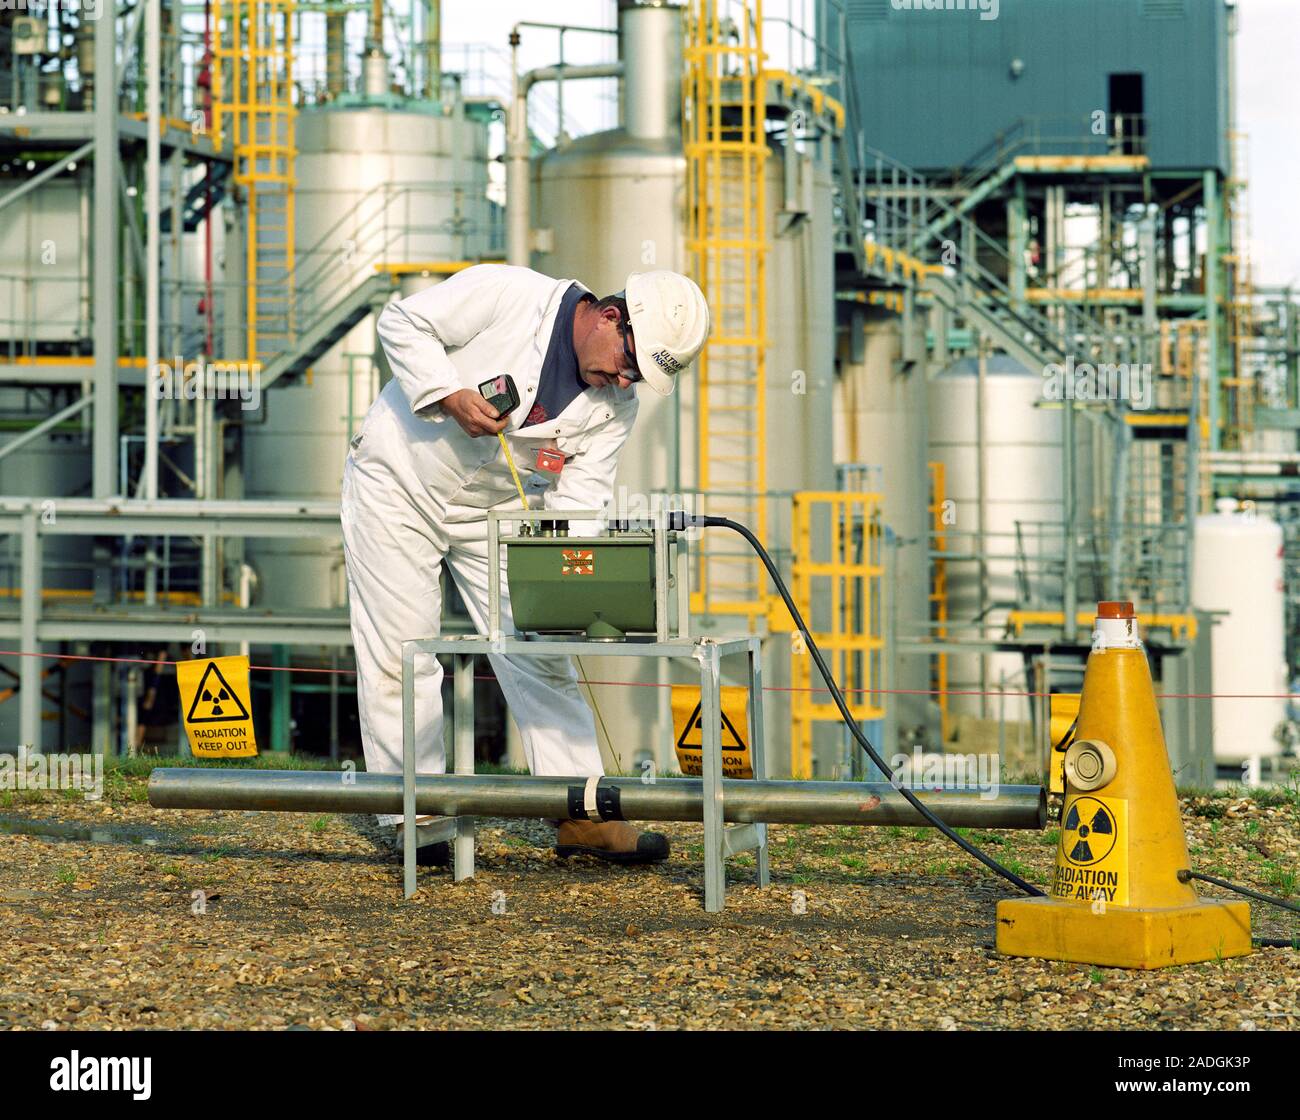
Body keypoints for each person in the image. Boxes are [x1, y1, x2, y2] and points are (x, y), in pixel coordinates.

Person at [341, 264, 710, 865]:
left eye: (638, 377)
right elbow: (403, 321)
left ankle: (583, 814)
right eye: (628, 363)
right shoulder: (512, 295)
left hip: (499, 513)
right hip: (398, 485)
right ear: (612, 317)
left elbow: (578, 507)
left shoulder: (616, 408)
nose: (625, 380)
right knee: (402, 652)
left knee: (542, 650)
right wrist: (448, 395)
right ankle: (421, 817)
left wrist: (567, 584)